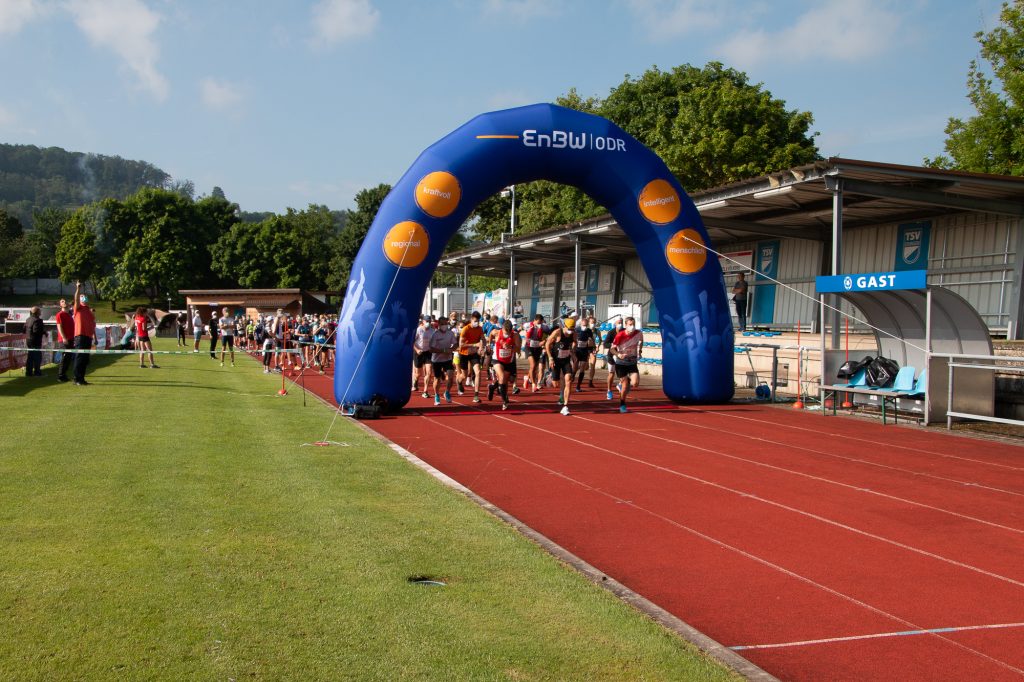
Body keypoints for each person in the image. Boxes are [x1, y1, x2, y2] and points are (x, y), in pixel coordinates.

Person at [611, 316, 644, 413]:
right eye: (630, 325)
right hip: (621, 363)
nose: (632, 326)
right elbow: (612, 349)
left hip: (632, 362)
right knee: (625, 385)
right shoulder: (620, 335)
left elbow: (641, 341)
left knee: (635, 384)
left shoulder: (638, 333)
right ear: (626, 325)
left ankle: (625, 382)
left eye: (633, 324)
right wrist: (618, 354)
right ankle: (622, 404)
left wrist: (640, 350)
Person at [545, 317, 577, 416]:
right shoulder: (557, 332)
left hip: (566, 360)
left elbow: (575, 342)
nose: (571, 331)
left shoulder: (574, 334)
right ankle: (548, 376)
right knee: (555, 384)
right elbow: (547, 344)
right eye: (569, 329)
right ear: (565, 326)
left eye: (573, 329)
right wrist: (550, 357)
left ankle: (565, 406)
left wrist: (572, 352)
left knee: (568, 379)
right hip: (556, 360)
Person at [487, 319, 521, 410]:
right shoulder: (496, 332)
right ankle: (504, 401)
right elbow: (490, 335)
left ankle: (492, 387)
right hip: (497, 359)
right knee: (501, 377)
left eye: (509, 332)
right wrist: (490, 345)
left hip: (509, 360)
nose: (507, 334)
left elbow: (518, 349)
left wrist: (510, 347)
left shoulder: (515, 335)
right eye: (506, 332)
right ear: (502, 328)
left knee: (506, 381)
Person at [429, 316, 458, 405]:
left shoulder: (450, 334)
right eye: (442, 324)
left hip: (447, 359)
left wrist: (452, 348)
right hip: (436, 360)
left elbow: (456, 344)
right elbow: (431, 349)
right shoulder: (435, 334)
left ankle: (447, 392)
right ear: (439, 325)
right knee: (437, 379)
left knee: (451, 376)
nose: (444, 325)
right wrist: (443, 351)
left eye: (445, 324)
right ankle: (437, 395)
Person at [72, 281, 96, 386]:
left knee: (85, 359)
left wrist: (94, 337)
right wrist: (78, 289)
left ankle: (81, 378)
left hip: (88, 337)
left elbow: (92, 325)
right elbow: (76, 299)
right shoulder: (78, 308)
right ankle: (77, 378)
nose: (84, 298)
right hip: (80, 336)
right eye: (82, 297)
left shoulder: (88, 311)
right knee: (80, 357)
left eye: (85, 297)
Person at [458, 311, 486, 402]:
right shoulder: (465, 329)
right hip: (464, 353)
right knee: (464, 375)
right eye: (475, 321)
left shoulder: (480, 329)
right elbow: (461, 345)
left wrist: (483, 347)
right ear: (471, 320)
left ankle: (476, 395)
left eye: (478, 321)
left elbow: (483, 339)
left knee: (478, 372)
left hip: (474, 354)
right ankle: (459, 381)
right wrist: (474, 345)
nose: (476, 323)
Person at [523, 314, 546, 392]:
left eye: (540, 323)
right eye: (538, 322)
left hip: (537, 348)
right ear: (535, 320)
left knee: (534, 367)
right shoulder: (528, 325)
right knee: (532, 365)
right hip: (529, 347)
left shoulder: (544, 327)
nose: (539, 324)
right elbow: (519, 328)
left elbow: (549, 335)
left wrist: (544, 341)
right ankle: (533, 384)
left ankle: (527, 377)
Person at [574, 316, 596, 392]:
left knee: (582, 367)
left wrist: (594, 347)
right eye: (583, 325)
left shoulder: (589, 330)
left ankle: (578, 386)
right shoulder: (577, 329)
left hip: (584, 350)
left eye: (586, 325)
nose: (585, 326)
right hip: (577, 350)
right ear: (581, 323)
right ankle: (573, 376)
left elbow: (592, 339)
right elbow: (572, 339)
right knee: (575, 366)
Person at [55, 298, 74, 382]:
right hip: (64, 340)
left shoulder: (69, 315)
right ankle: (61, 375)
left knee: (68, 358)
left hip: (71, 339)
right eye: (62, 301)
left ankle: (64, 374)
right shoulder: (60, 314)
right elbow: (59, 327)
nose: (64, 302)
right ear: (60, 305)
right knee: (65, 357)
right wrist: (64, 337)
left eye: (65, 301)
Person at [24, 306, 44, 377]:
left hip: (28, 341)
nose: (41, 312)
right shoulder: (37, 320)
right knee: (37, 357)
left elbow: (24, 329)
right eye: (40, 311)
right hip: (35, 341)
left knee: (30, 357)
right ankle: (37, 372)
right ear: (37, 312)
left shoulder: (28, 319)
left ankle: (28, 372)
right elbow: (36, 330)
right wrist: (43, 332)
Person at [604, 317, 622, 400]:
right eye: (618, 322)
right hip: (612, 354)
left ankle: (620, 384)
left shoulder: (624, 331)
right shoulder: (611, 332)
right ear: (615, 324)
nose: (620, 324)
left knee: (623, 371)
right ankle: (609, 390)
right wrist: (613, 345)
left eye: (621, 322)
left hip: (621, 354)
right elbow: (605, 344)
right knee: (611, 373)